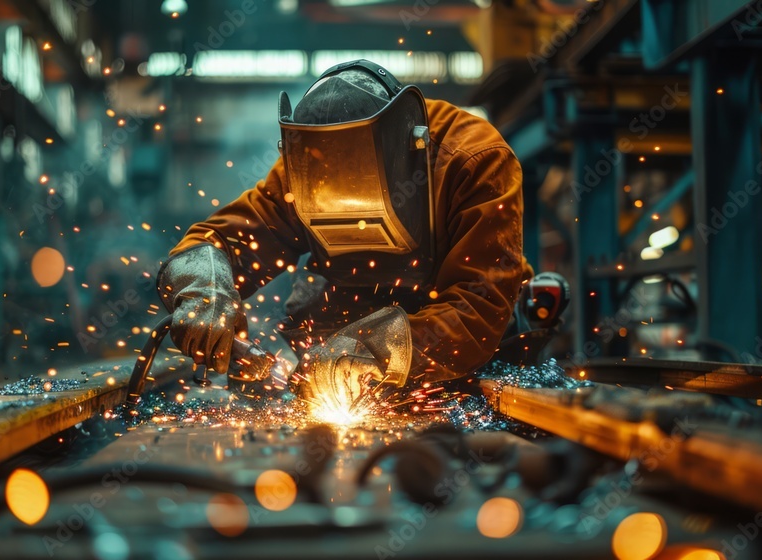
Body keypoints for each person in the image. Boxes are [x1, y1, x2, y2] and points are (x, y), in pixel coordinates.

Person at [157, 59, 533, 406]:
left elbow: (478, 308)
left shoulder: (474, 162)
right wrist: (204, 289)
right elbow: (220, 241)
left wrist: (376, 347)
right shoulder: (303, 168)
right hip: (335, 342)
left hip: (453, 346)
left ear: (406, 156)